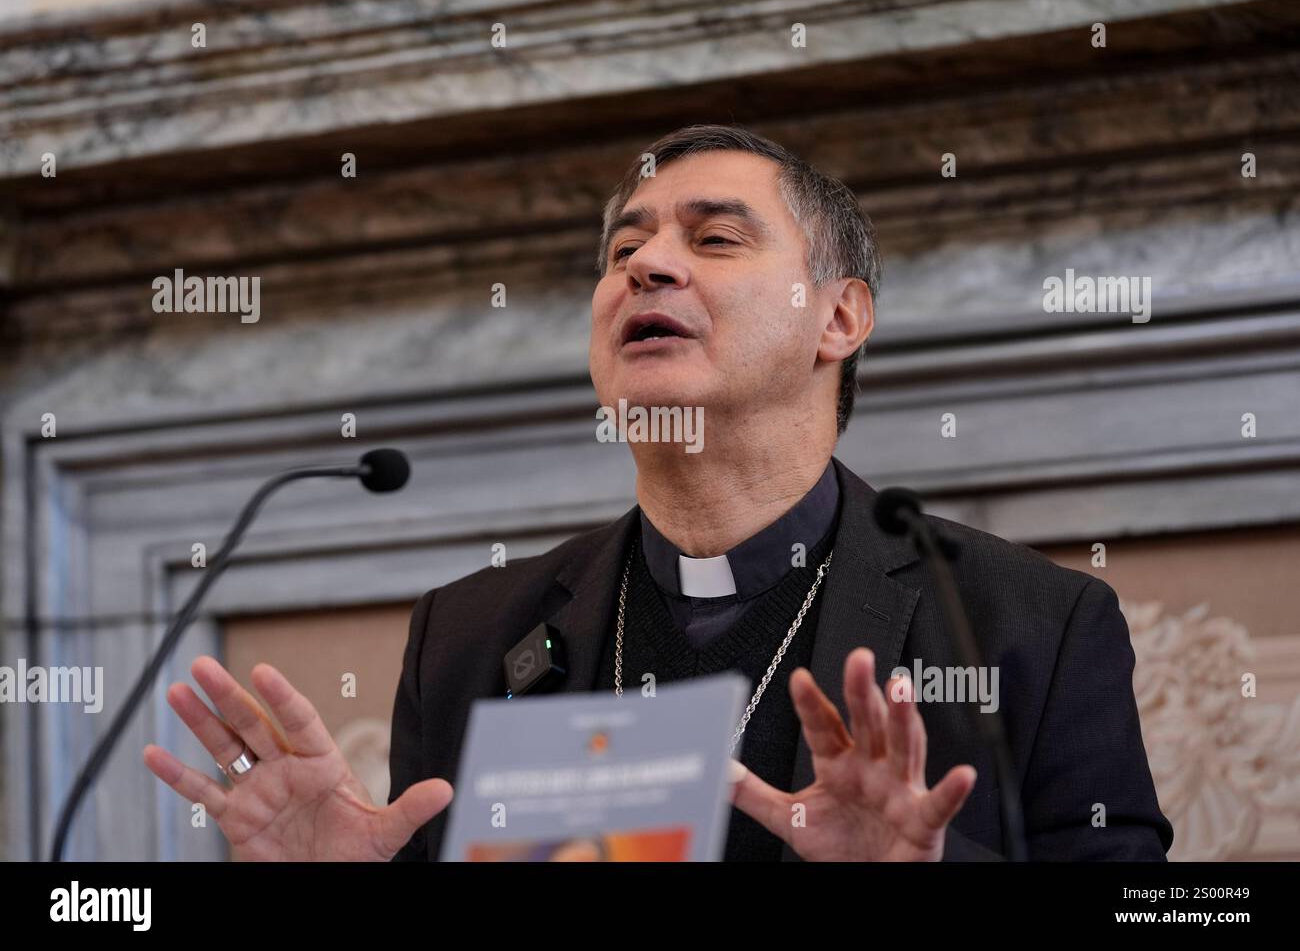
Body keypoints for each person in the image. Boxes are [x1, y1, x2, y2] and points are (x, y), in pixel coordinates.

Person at [144, 124, 1173, 862]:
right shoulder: (465, 634)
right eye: (624, 249)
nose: (647, 268)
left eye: (714, 239)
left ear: (839, 316)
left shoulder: (1034, 622)